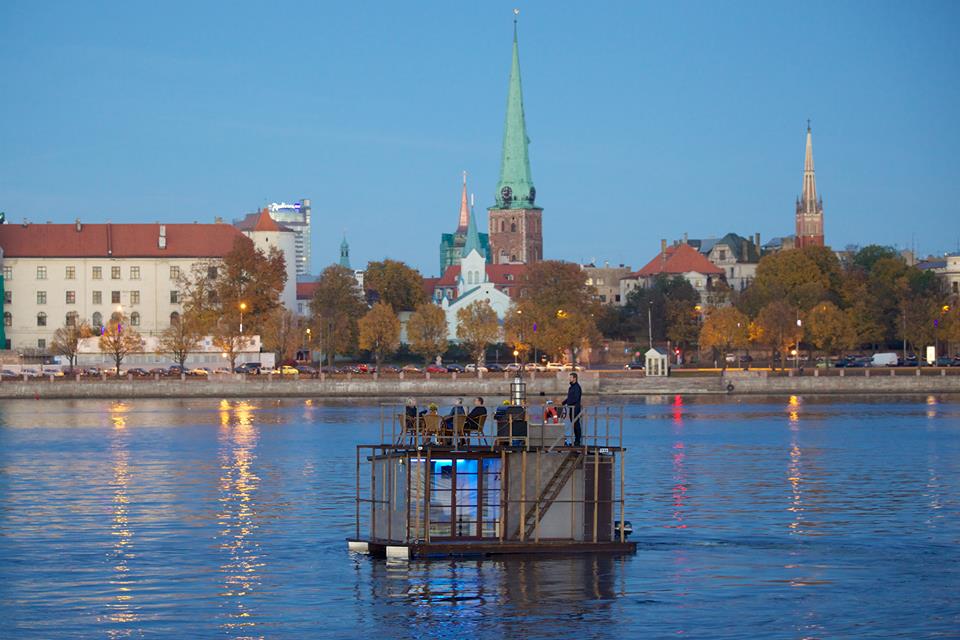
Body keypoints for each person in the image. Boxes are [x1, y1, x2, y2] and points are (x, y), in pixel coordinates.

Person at [562, 372, 583, 446]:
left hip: (576, 408)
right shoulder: (571, 387)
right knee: (574, 424)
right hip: (571, 408)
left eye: (570, 377)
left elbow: (576, 398)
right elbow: (569, 398)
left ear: (574, 378)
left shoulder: (577, 387)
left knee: (576, 424)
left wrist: (568, 403)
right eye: (569, 377)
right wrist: (563, 403)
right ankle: (576, 440)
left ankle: (578, 440)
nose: (569, 378)